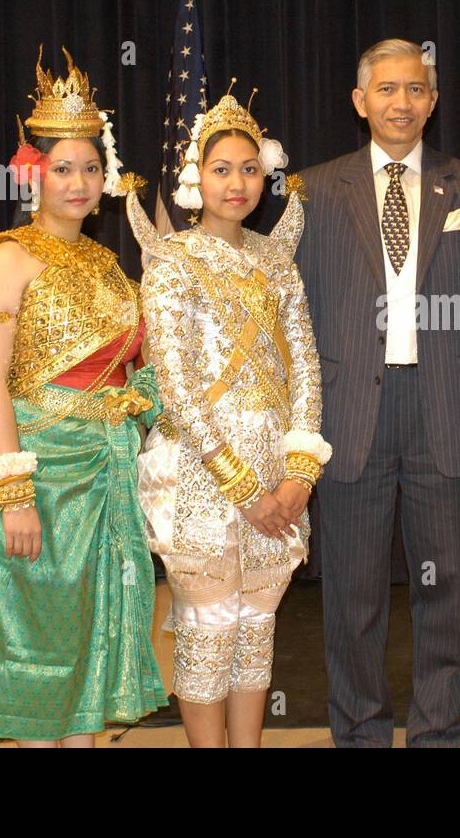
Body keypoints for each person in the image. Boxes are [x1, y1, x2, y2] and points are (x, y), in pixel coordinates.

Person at [297, 38, 460, 747]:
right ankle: (359, 731)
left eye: (415, 89)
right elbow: (293, 316)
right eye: (386, 90)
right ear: (360, 102)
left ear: (433, 100)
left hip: (447, 414)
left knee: (444, 591)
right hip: (348, 414)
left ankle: (436, 733)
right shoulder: (314, 190)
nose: (401, 102)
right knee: (352, 596)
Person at [0, 46, 168, 746]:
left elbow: (133, 364)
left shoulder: (108, 262)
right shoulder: (7, 258)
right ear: (33, 174)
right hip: (44, 474)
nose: (79, 183)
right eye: (63, 169)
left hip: (105, 472)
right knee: (41, 635)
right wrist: (14, 493)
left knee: (94, 628)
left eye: (90, 167)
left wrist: (145, 399)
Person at [127, 83, 328, 748]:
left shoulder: (277, 262)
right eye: (222, 170)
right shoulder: (171, 261)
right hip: (199, 474)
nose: (237, 183)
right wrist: (241, 485)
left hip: (277, 469)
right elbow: (177, 386)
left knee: (257, 627)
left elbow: (306, 367)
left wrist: (299, 475)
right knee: (209, 630)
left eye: (249, 169)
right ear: (196, 178)